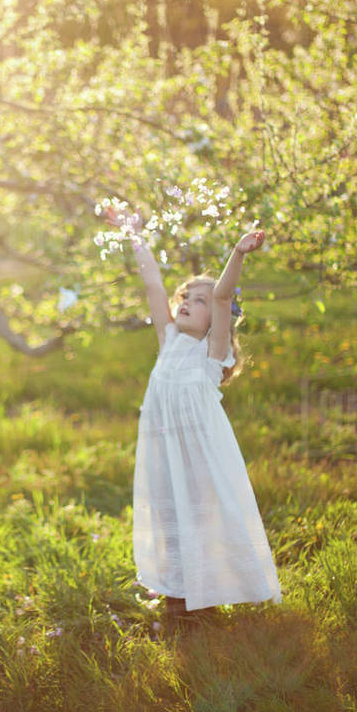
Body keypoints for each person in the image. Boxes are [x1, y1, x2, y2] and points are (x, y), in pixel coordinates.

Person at [106, 207, 282, 625]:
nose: (187, 303)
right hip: (162, 452)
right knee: (168, 518)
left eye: (198, 301)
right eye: (186, 296)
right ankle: (174, 595)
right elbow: (152, 282)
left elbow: (223, 295)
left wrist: (238, 253)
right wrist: (134, 234)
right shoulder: (168, 340)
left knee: (201, 520)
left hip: (200, 457)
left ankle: (209, 595)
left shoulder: (210, 353)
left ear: (217, 320)